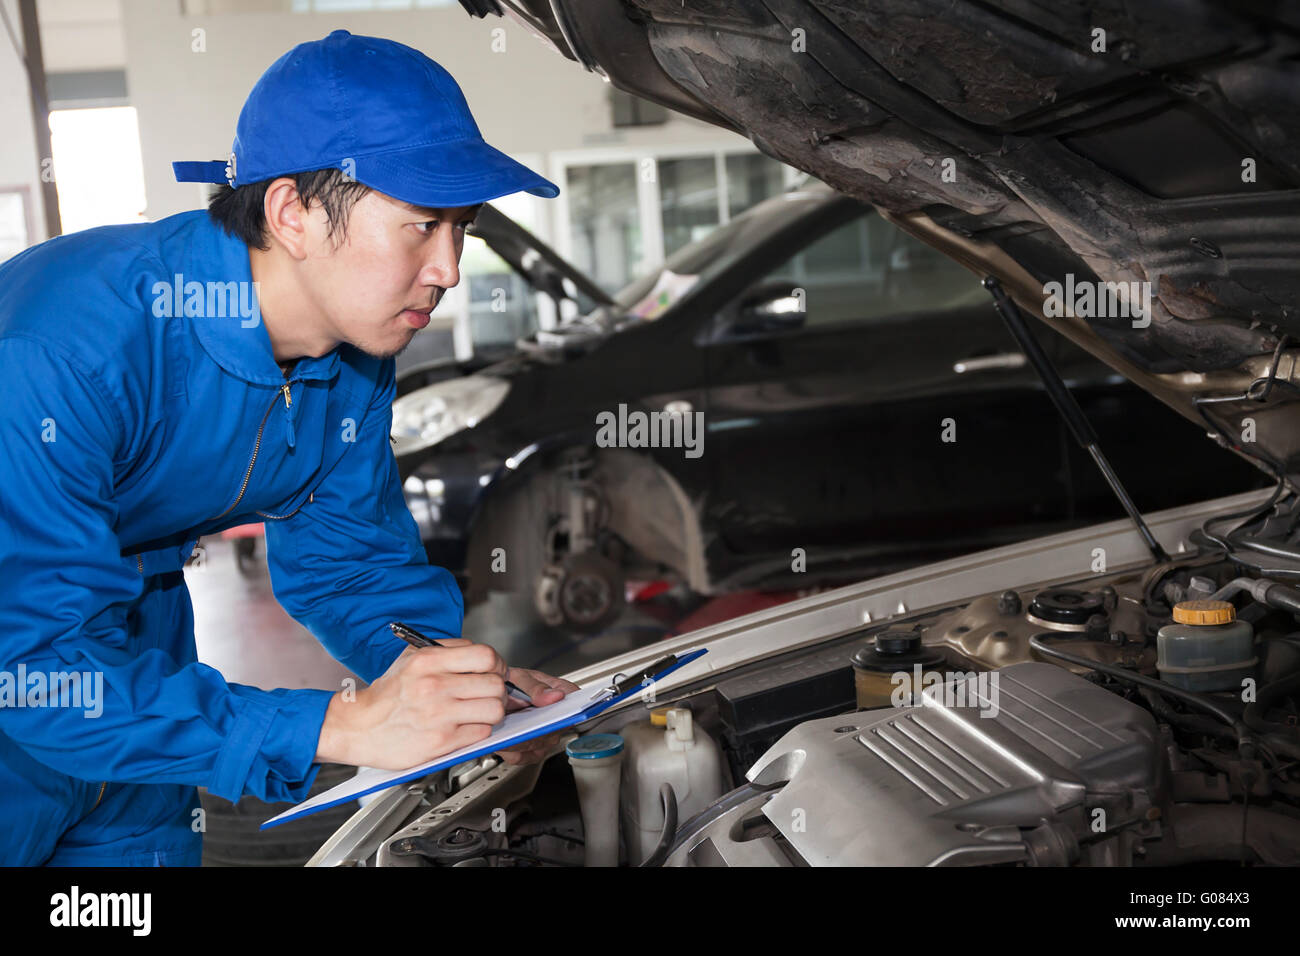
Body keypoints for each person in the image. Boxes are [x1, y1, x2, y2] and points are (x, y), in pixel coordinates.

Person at [0, 29, 577, 866]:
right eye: (421, 226)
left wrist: (458, 687)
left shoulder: (351, 360)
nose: (449, 267)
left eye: (464, 227)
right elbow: (36, 669)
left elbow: (351, 566)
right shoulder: (62, 349)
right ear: (292, 213)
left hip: (136, 658)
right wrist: (342, 725)